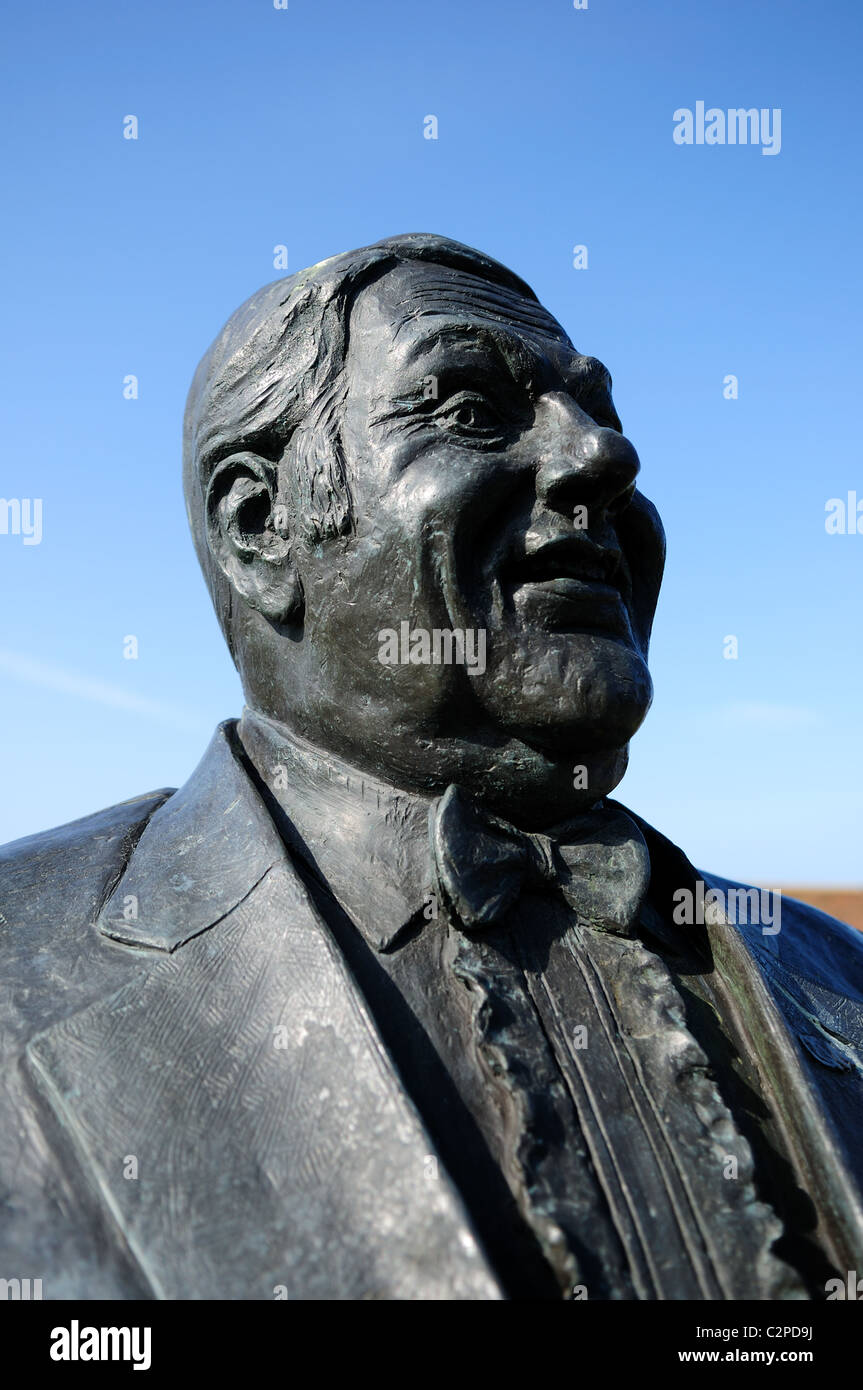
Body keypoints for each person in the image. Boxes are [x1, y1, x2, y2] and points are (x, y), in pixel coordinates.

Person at [1, 234, 861, 1300]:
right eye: (465, 411)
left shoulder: (832, 969)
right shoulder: (17, 963)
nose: (601, 456)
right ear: (259, 527)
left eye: (599, 412)